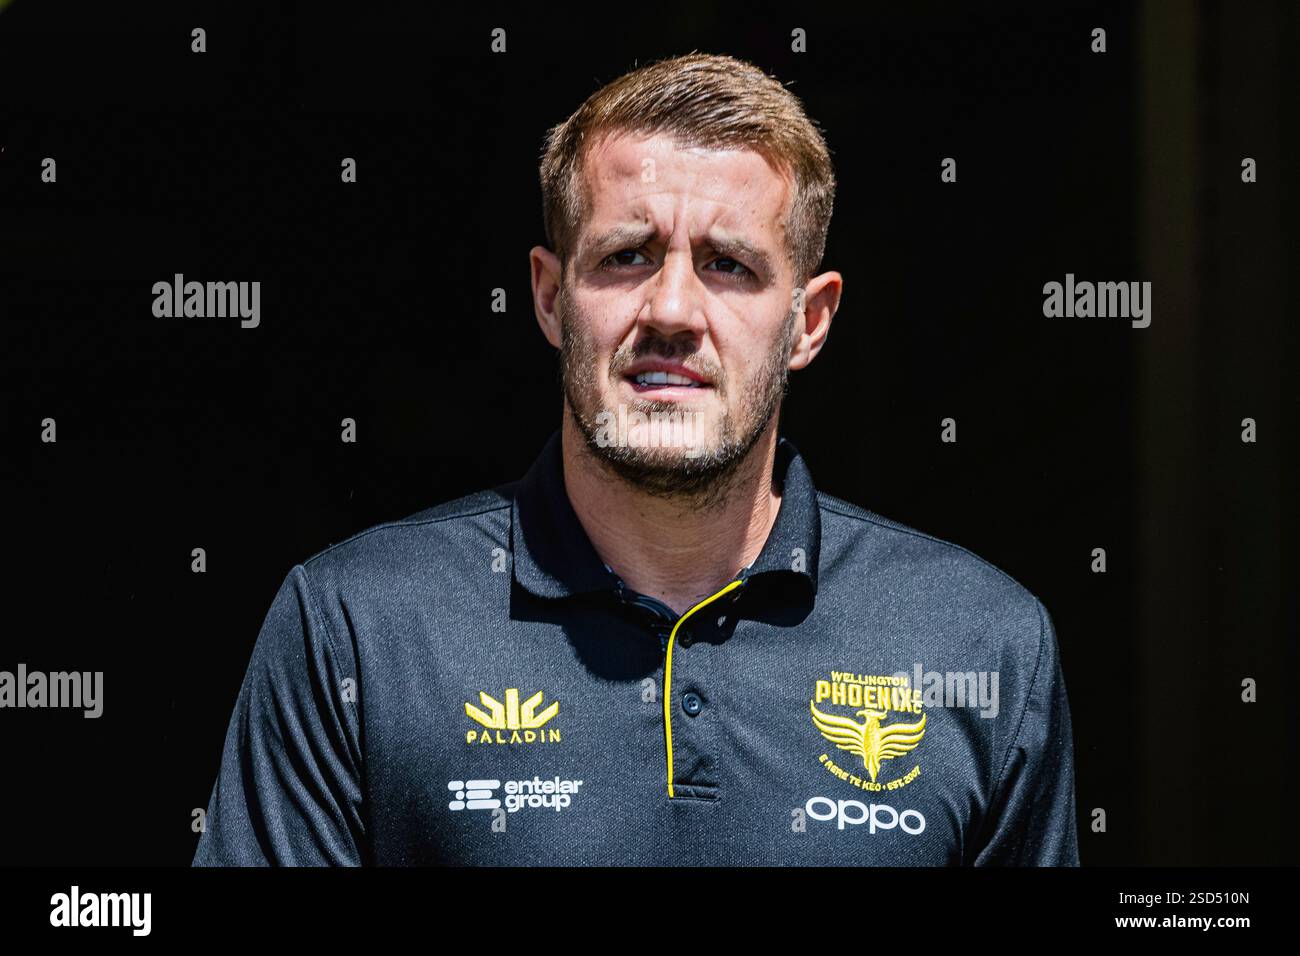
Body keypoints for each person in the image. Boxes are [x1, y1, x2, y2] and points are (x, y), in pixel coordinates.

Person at [193, 51, 1078, 866]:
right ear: (548, 297)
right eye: (627, 256)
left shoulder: (982, 644)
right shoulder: (357, 627)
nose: (672, 310)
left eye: (729, 264)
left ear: (809, 321)